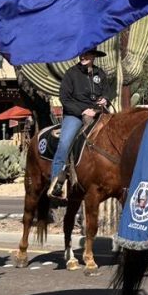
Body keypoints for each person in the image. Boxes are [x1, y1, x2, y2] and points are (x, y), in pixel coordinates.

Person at [49, 48, 109, 200]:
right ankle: (57, 183)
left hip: (98, 113)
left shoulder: (100, 74)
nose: (83, 56)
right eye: (81, 53)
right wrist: (83, 110)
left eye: (87, 54)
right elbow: (65, 98)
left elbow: (107, 92)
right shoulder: (71, 74)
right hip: (75, 114)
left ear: (94, 56)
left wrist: (105, 100)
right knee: (65, 143)